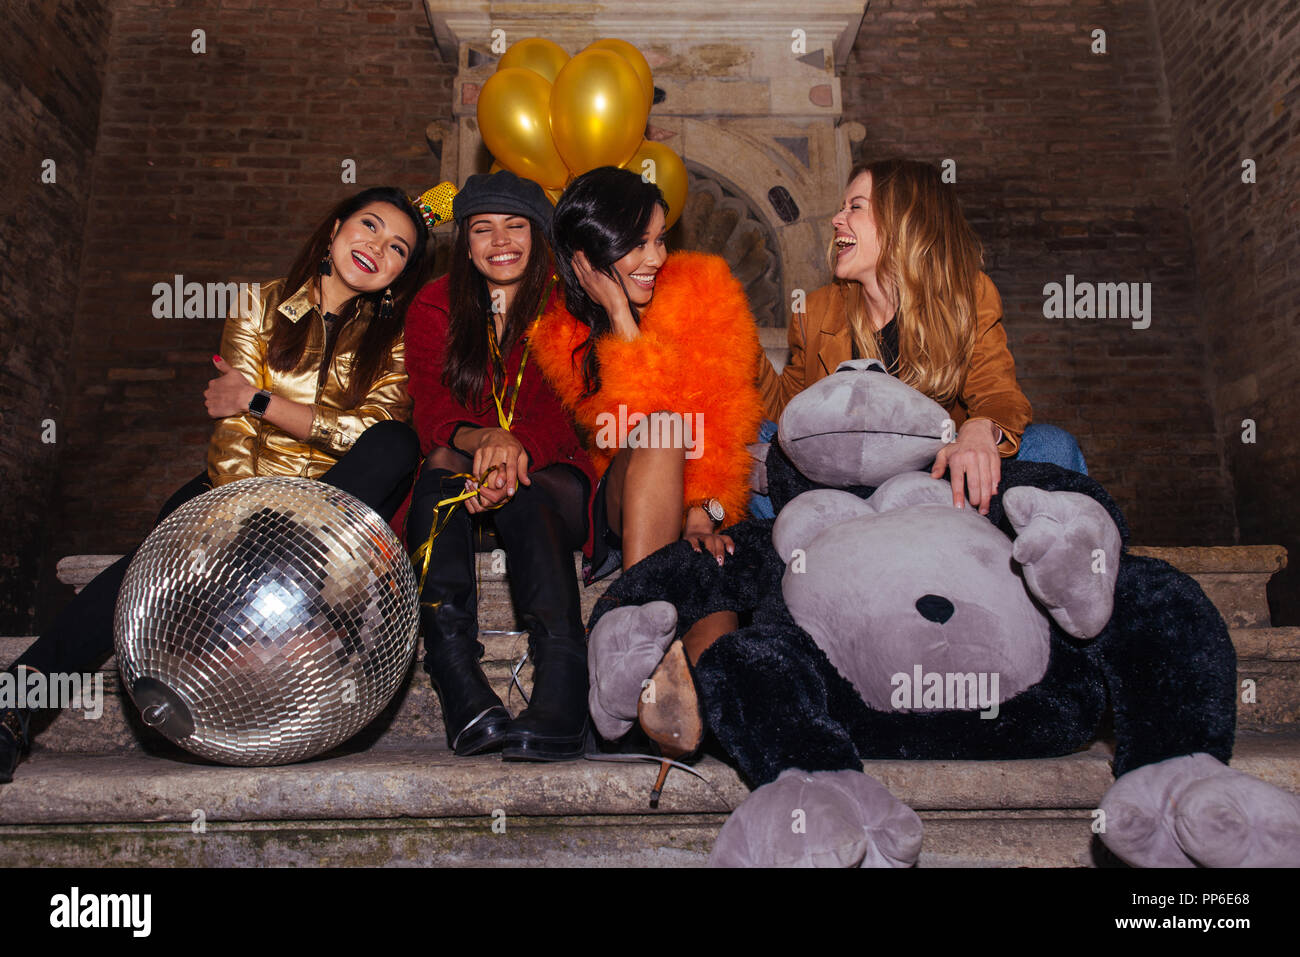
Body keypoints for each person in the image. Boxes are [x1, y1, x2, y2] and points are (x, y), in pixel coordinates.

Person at [0, 185, 429, 782]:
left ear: (400, 274)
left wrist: (262, 401)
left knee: (397, 444)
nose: (378, 247)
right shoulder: (259, 303)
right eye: (370, 226)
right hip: (237, 490)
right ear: (334, 230)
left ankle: (280, 550)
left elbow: (371, 432)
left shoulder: (399, 341)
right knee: (140, 568)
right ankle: (13, 709)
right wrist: (239, 521)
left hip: (329, 515)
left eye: (399, 248)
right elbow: (232, 432)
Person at [529, 166, 764, 790]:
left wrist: (706, 511)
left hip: (702, 502)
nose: (655, 257)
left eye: (661, 239)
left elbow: (722, 413)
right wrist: (621, 322)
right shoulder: (559, 331)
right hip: (622, 507)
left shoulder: (705, 285)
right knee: (658, 431)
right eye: (637, 244)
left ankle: (648, 681)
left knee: (716, 655)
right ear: (588, 255)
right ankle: (630, 624)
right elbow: (627, 428)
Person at [755, 157, 1087, 519]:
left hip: (936, 474)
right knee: (755, 443)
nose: (837, 219)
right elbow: (788, 416)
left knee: (1053, 446)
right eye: (841, 208)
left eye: (855, 207)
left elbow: (999, 394)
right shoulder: (815, 310)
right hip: (844, 483)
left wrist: (979, 431)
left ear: (904, 221)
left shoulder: (969, 295)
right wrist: (735, 337)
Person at [402, 170, 596, 761]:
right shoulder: (435, 302)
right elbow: (431, 403)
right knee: (438, 471)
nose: (500, 240)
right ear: (464, 241)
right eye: (482, 228)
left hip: (548, 474)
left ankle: (563, 681)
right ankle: (458, 680)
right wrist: (482, 436)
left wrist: (516, 449)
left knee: (530, 489)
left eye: (516, 225)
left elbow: (572, 410)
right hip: (461, 471)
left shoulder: (568, 302)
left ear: (539, 235)